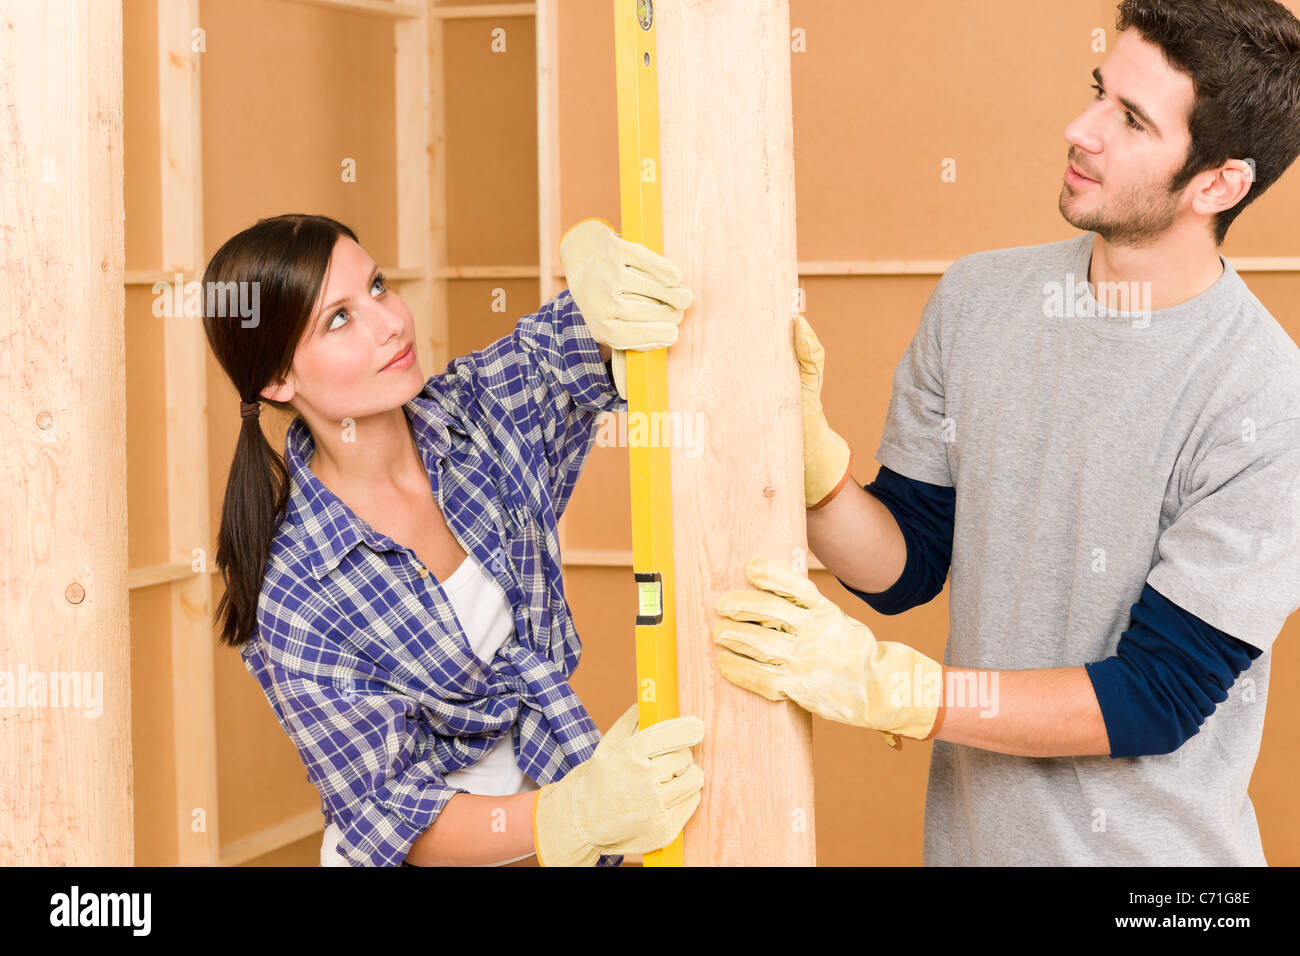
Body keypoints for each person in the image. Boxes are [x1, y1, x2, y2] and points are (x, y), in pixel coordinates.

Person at [714, 0, 1300, 865]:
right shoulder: (978, 302)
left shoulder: (1266, 400)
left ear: (1218, 183)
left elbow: (1155, 697)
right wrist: (814, 472)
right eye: (1099, 92)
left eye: (1131, 119)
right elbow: (905, 565)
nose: (1081, 128)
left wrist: (901, 692)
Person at [201, 212, 702, 866]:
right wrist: (575, 812)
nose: (389, 322)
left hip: (562, 822)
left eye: (377, 286)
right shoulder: (296, 593)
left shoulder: (475, 416)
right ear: (276, 382)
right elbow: (394, 815)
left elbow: (569, 346)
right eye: (339, 319)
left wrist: (599, 277)